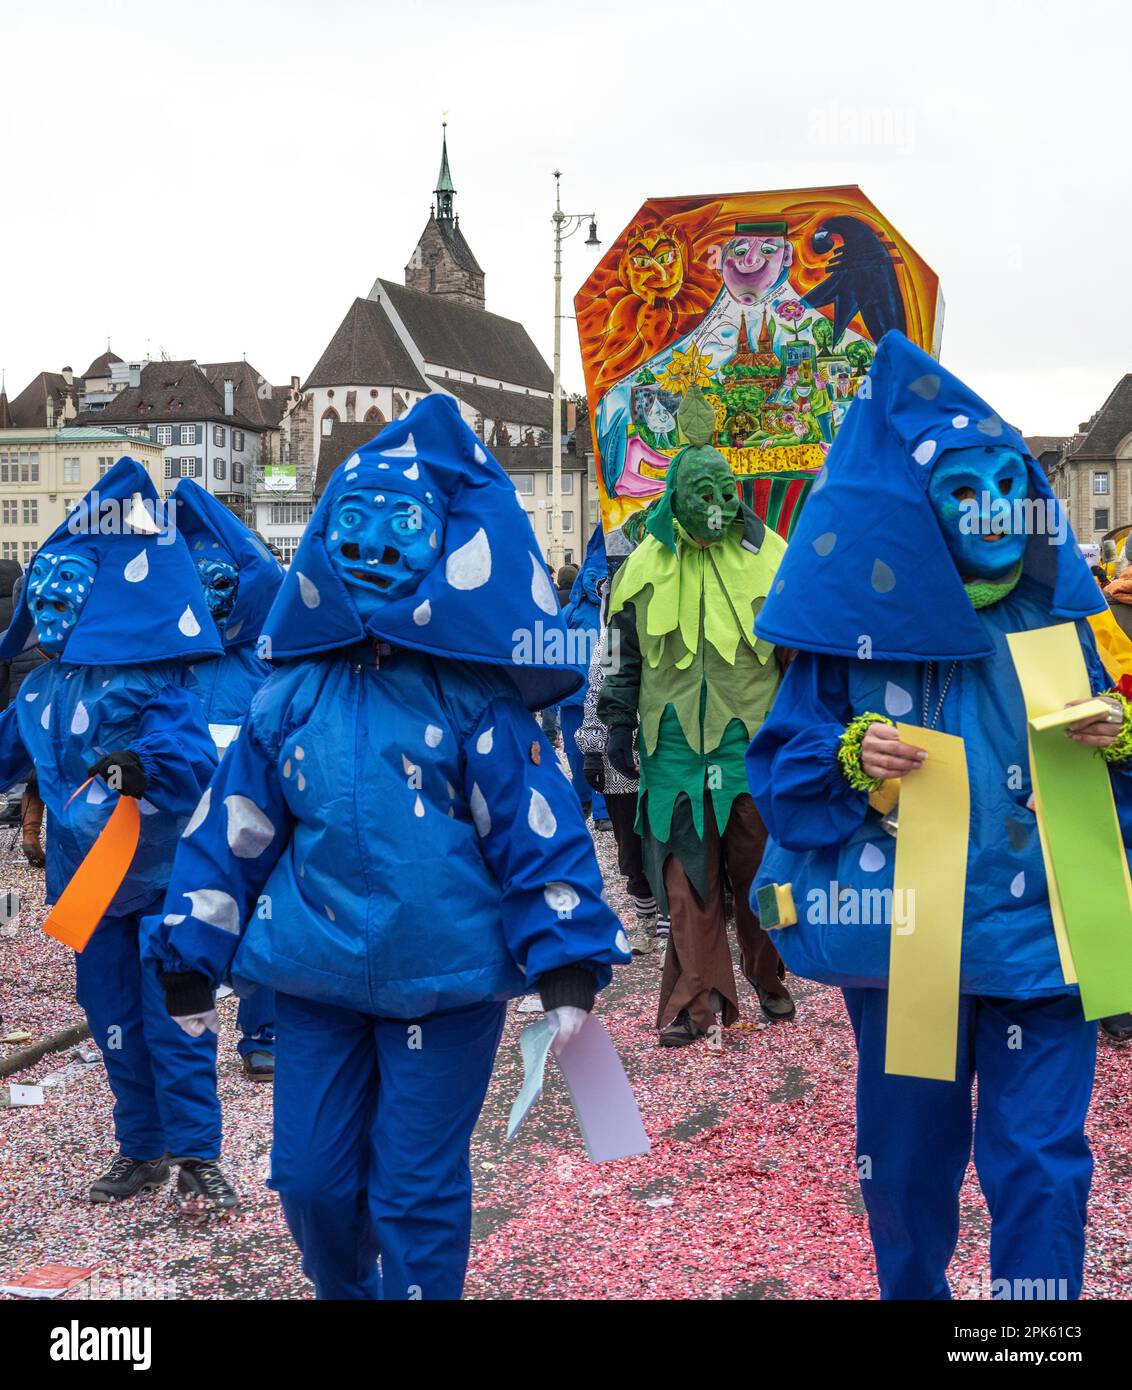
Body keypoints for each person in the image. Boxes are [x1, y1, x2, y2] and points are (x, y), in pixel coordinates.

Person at [147, 395, 630, 1300]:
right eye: (354, 523)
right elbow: (233, 829)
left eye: (399, 525)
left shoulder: (475, 701)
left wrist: (566, 959)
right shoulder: (287, 698)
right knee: (312, 1182)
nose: (371, 546)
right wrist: (191, 948)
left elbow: (537, 831)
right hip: (315, 981)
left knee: (413, 1195)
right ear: (327, 536)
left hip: (443, 988)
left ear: (441, 543)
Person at [748, 330, 1132, 1300]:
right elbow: (782, 783)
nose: (993, 513)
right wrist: (848, 755)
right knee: (907, 1179)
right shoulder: (851, 635)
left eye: (1007, 486)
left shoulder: (1063, 621)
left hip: (1045, 942)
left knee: (1042, 1169)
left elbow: (1107, 786)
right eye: (965, 492)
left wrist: (1122, 741)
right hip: (911, 950)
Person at [0, 459, 237, 1209]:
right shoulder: (38, 690)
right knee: (113, 1024)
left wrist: (142, 766)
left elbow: (193, 756)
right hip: (87, 888)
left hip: (166, 885)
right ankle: (141, 1147)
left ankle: (199, 1154)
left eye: (68, 591)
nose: (53, 606)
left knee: (176, 1021)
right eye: (45, 594)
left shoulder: (155, 679)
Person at [599, 386, 793, 1046]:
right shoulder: (643, 564)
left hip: (752, 746)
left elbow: (801, 655)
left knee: (760, 873)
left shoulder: (772, 556)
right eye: (701, 495)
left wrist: (808, 728)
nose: (715, 509)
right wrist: (617, 721)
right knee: (686, 880)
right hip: (674, 748)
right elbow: (623, 655)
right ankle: (690, 1002)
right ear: (675, 497)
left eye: (725, 493)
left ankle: (768, 977)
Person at [171, 477, 284, 1081]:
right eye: (199, 586)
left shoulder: (273, 655)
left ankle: (262, 1028)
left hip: (251, 813)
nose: (211, 601)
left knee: (259, 911)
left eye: (222, 585)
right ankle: (182, 1030)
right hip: (181, 814)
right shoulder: (171, 658)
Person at [576, 573, 657, 952]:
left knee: (671, 846)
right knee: (632, 852)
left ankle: (673, 929)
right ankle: (647, 921)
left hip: (666, 759)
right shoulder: (608, 644)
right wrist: (593, 750)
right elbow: (596, 694)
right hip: (619, 764)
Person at [560, 526, 610, 827]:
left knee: (594, 749)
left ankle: (597, 807)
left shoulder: (576, 611)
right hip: (579, 691)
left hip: (590, 690)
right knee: (584, 750)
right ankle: (587, 802)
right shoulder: (575, 612)